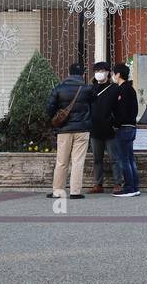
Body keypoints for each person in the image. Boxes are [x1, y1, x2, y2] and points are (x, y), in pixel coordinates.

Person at [45, 63, 93, 200]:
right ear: (83, 74)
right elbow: (94, 107)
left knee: (62, 161)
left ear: (69, 73)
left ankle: (58, 191)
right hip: (82, 129)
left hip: (64, 130)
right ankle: (75, 192)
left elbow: (49, 109)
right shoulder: (87, 89)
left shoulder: (59, 88)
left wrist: (57, 117)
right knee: (78, 161)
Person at [86, 61, 122, 195]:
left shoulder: (114, 89)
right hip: (94, 129)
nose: (99, 74)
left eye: (102, 71)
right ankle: (98, 184)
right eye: (97, 71)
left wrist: (115, 124)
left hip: (110, 130)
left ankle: (118, 183)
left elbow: (119, 109)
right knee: (96, 159)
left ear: (108, 73)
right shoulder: (90, 89)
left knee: (115, 159)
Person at [109, 63, 141, 197]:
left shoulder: (122, 90)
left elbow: (121, 112)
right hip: (132, 127)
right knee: (130, 159)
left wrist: (115, 124)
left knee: (124, 160)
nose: (112, 76)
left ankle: (129, 187)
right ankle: (134, 186)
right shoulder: (131, 89)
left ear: (118, 74)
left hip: (124, 128)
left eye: (113, 74)